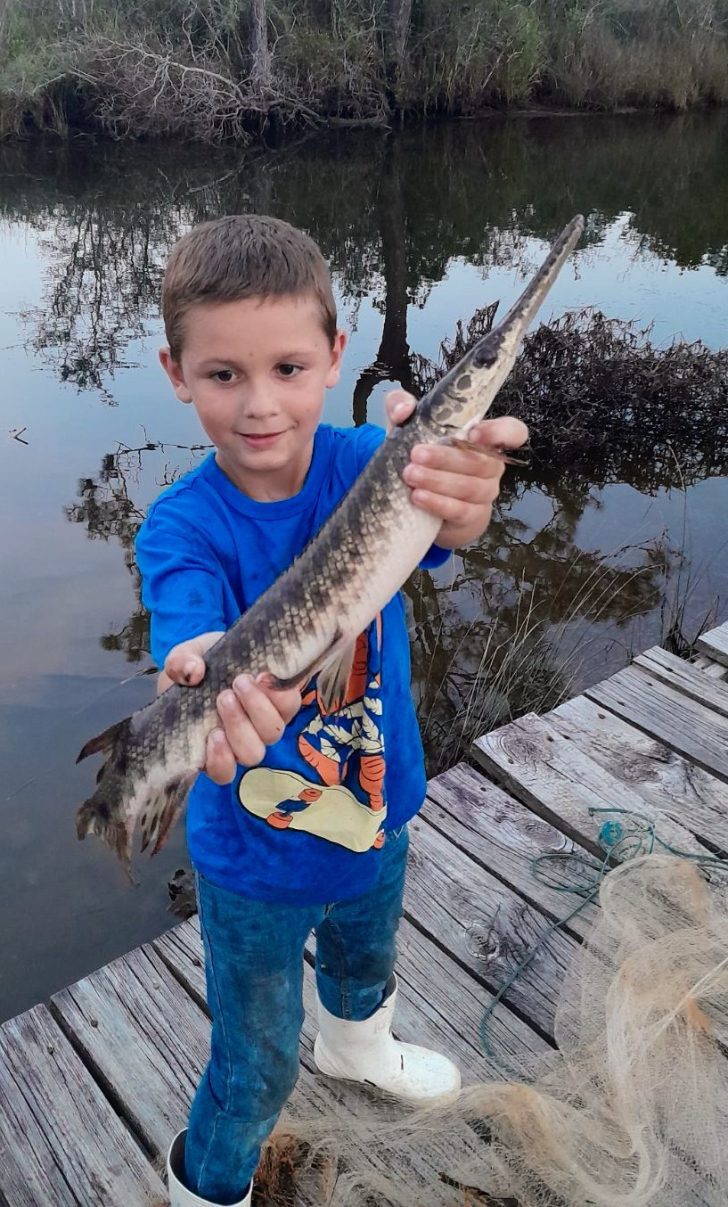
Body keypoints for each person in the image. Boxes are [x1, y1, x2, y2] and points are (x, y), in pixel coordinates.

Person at [135, 214, 528, 1207]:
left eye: (287, 367)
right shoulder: (180, 525)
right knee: (256, 1061)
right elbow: (186, 632)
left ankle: (356, 1048)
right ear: (176, 372)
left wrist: (465, 496)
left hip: (375, 810)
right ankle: (206, 1186)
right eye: (223, 375)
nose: (260, 404)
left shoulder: (369, 459)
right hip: (251, 861)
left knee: (364, 960)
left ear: (333, 357)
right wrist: (192, 669)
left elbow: (447, 518)